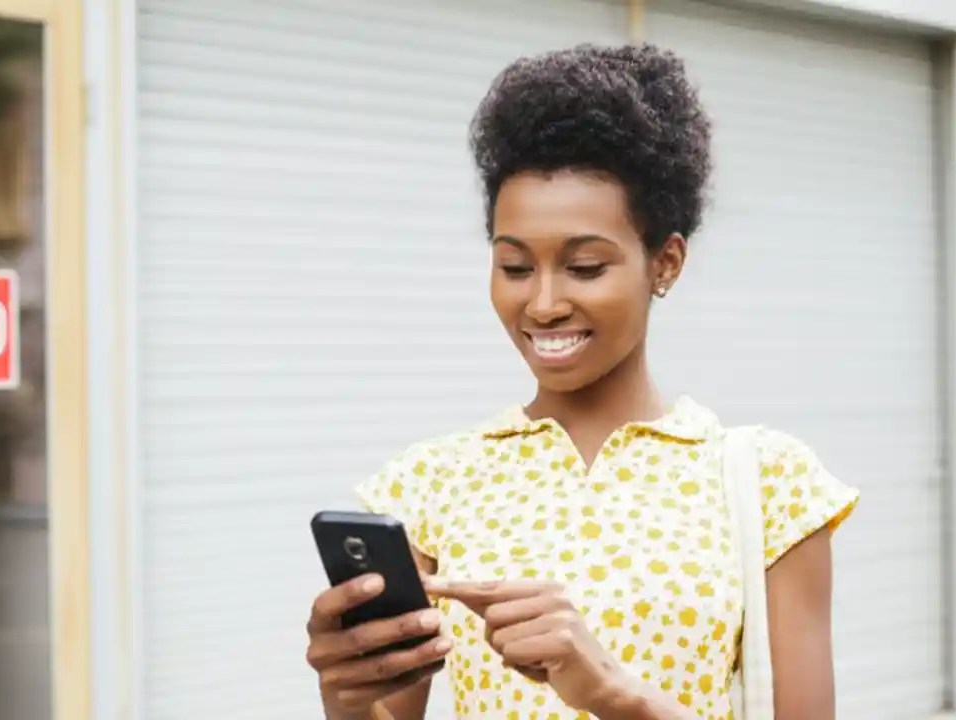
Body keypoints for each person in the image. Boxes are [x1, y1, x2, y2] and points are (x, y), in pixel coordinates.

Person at [304, 43, 858, 720]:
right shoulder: (429, 485)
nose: (541, 304)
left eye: (586, 267)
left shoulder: (770, 486)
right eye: (514, 267)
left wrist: (611, 693)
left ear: (666, 262)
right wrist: (344, 698)